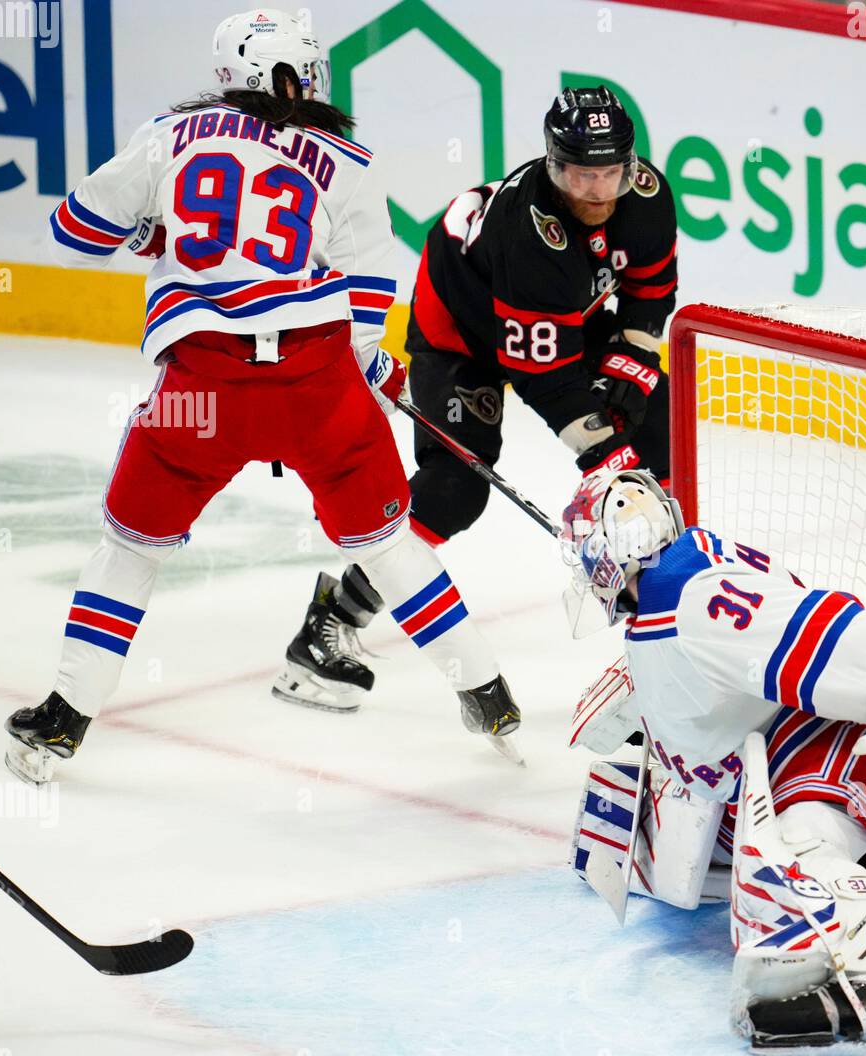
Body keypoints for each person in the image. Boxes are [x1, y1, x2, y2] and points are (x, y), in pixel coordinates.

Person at [4, 8, 518, 785]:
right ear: (297, 72)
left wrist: (153, 234)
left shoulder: (167, 135)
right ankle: (486, 691)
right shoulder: (346, 153)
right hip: (318, 383)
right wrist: (371, 368)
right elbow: (371, 284)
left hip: (201, 393)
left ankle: (63, 718)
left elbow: (74, 229)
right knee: (388, 546)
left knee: (131, 548)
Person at [562, 469, 866, 1048]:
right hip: (774, 749)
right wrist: (640, 690)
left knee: (795, 846)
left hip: (840, 742)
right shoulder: (673, 591)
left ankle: (860, 985)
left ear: (614, 551)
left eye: (587, 551)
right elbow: (717, 672)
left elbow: (821, 628)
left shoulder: (691, 594)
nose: (584, 567)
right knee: (715, 856)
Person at [272, 85, 678, 712]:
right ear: (552, 164)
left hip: (564, 318)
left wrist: (636, 360)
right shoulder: (530, 231)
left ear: (629, 163)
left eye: (609, 172)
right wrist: (609, 470)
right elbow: (549, 381)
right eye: (579, 173)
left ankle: (675, 595)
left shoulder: (646, 197)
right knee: (454, 490)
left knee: (659, 421)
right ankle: (330, 621)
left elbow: (651, 290)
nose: (597, 190)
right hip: (460, 336)